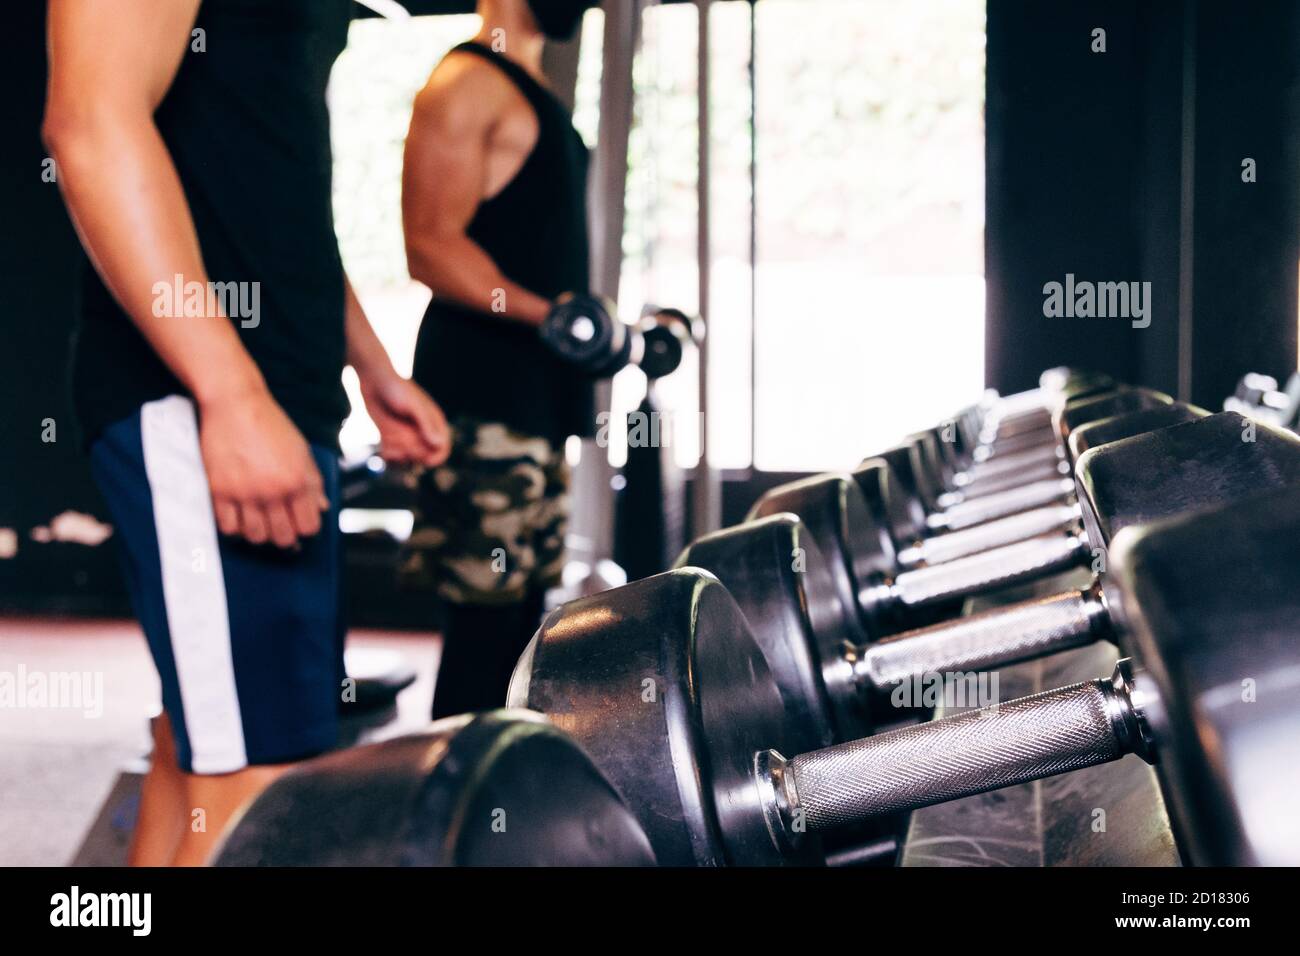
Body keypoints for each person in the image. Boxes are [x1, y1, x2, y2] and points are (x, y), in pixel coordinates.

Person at [43, 0, 451, 866]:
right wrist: (226, 393)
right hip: (202, 396)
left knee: (199, 752)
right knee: (258, 795)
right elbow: (89, 125)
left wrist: (370, 368)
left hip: (275, 393)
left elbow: (265, 179)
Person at [401, 0, 597, 718]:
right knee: (484, 629)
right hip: (482, 399)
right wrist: (555, 318)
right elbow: (430, 246)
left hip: (537, 400)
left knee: (521, 627)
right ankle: (447, 818)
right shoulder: (466, 82)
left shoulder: (532, 89)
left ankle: (501, 805)